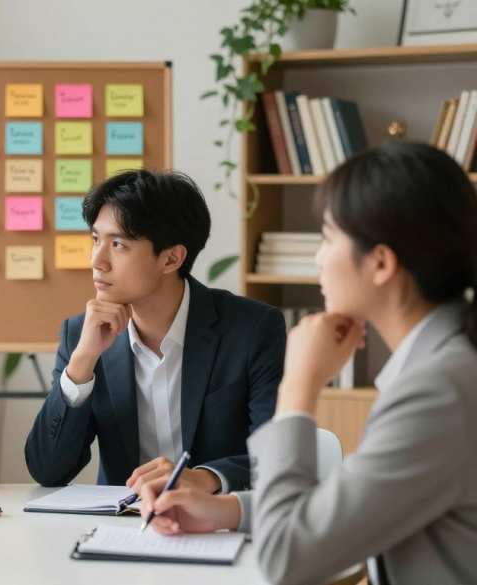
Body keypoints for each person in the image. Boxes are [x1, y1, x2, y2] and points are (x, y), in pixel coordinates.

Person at [137, 142, 477, 585]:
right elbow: (358, 502)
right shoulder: (447, 368)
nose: (318, 258)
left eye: (328, 238)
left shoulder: (439, 393)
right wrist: (226, 510)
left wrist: (299, 386)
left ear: (380, 263)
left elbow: (286, 558)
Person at [25, 169, 284, 493]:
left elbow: (277, 452)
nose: (97, 261)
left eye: (118, 244)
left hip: (219, 524)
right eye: (96, 240)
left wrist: (204, 478)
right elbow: (47, 471)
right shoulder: (81, 334)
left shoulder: (252, 329)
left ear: (171, 258)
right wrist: (81, 365)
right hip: (122, 528)